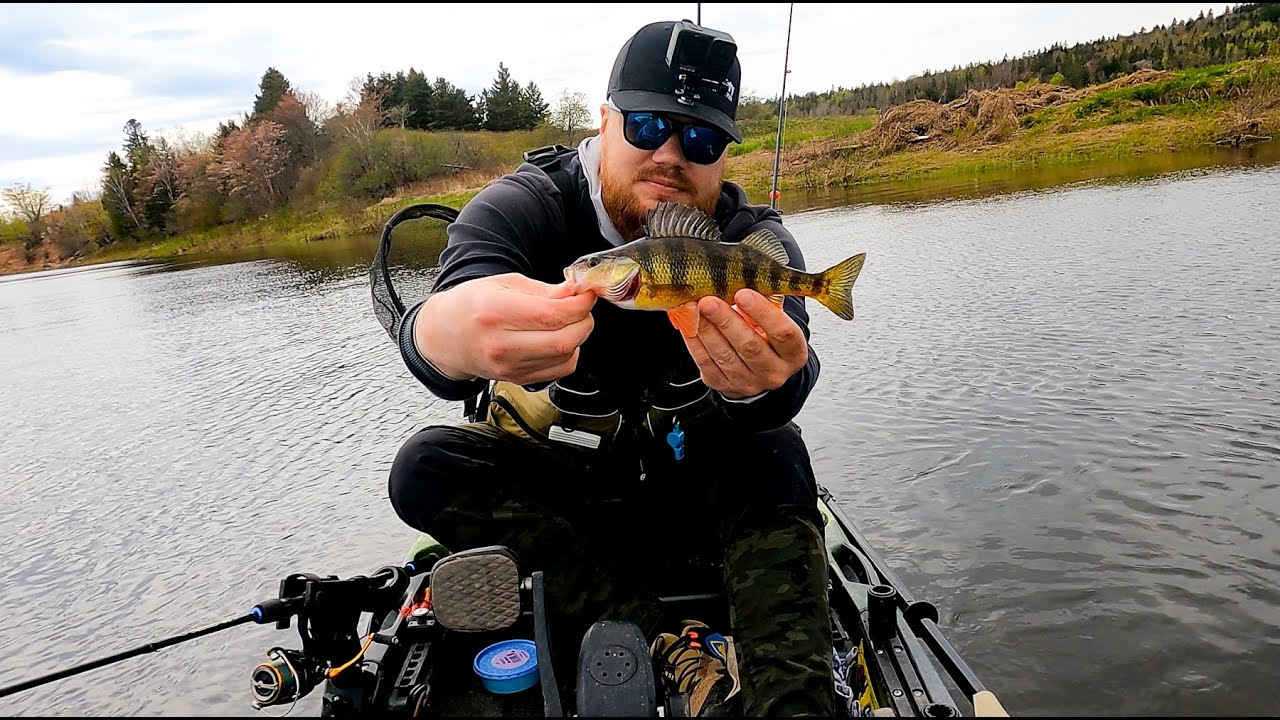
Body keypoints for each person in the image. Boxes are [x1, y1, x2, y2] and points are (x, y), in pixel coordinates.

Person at [388, 18, 837, 717]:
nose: (670, 153)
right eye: (648, 124)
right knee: (424, 467)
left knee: (777, 450)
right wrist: (441, 331)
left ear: (722, 155)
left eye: (700, 138)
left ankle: (794, 703)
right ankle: (663, 641)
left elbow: (792, 373)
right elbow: (452, 302)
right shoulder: (527, 207)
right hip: (567, 492)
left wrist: (768, 384)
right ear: (604, 119)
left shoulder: (752, 239)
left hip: (694, 481)